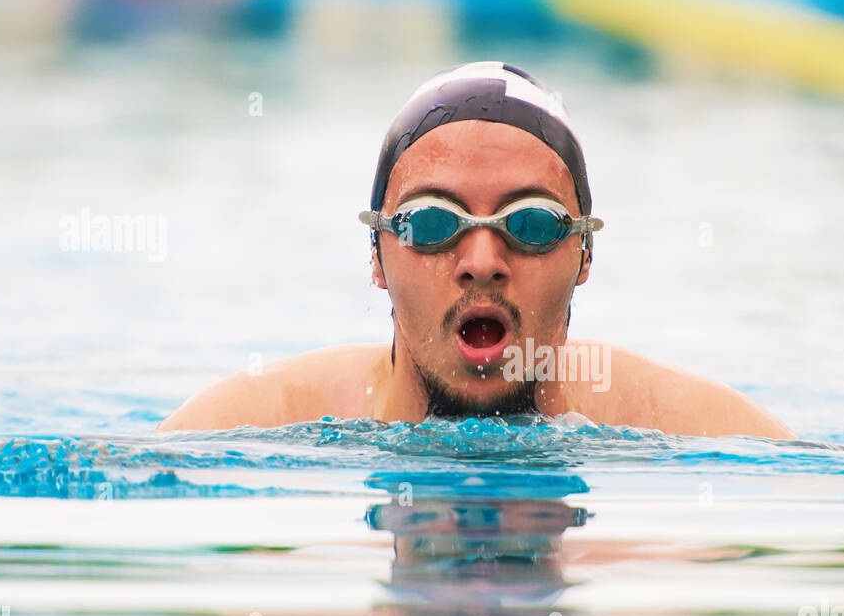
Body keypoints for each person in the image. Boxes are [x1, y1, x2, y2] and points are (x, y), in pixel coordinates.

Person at [156, 62, 796, 439]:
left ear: (584, 255)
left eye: (533, 224)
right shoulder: (251, 422)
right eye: (434, 222)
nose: (483, 258)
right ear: (377, 255)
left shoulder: (692, 430)